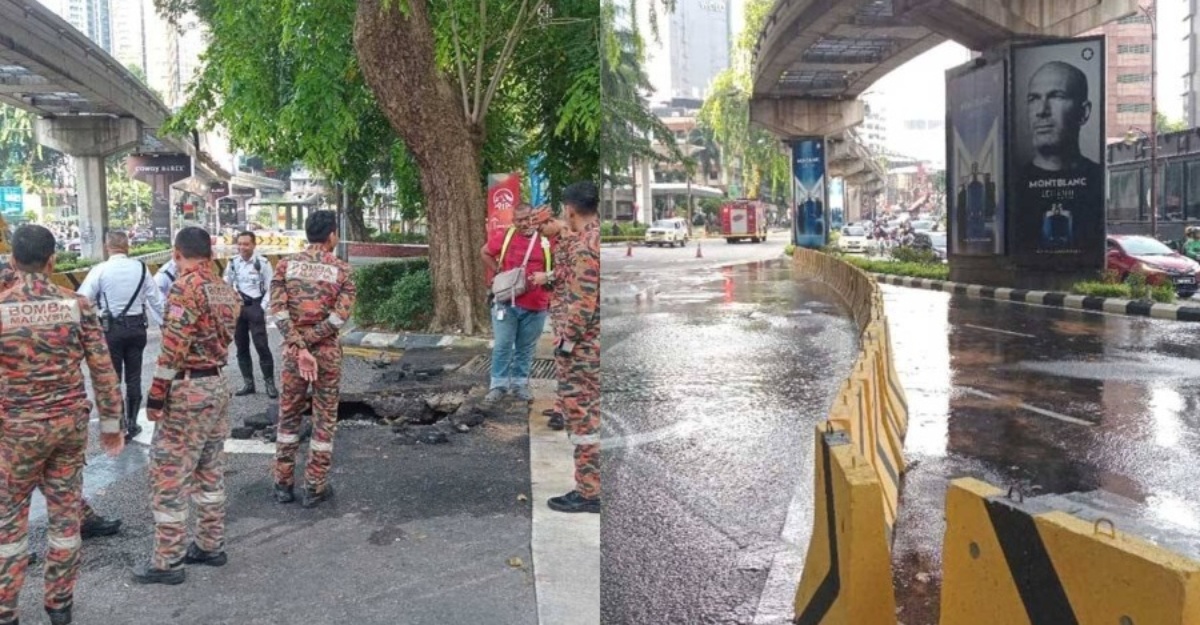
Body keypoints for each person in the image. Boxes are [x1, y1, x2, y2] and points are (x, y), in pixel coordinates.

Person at [0, 225, 125, 625]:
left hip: (17, 429)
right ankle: (59, 604)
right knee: (66, 513)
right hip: (69, 426)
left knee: (9, 520)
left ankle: (6, 609)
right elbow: (103, 369)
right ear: (53, 260)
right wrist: (111, 424)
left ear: (14, 262)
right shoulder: (77, 305)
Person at [132, 227, 239, 586]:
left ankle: (167, 561)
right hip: (218, 384)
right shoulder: (226, 289)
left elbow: (174, 346)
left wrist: (156, 394)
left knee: (169, 475)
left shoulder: (185, 287)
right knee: (210, 470)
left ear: (177, 254)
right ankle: (210, 545)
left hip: (189, 388)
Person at [269, 211, 356, 508]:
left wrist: (298, 344)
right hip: (327, 354)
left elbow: (278, 312)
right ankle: (314, 487)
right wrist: (310, 341)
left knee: (289, 415)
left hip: (294, 354)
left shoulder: (284, 266)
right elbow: (337, 318)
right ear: (332, 235)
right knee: (324, 419)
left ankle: (282, 483)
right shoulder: (342, 270)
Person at [76, 232, 165, 442]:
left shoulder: (100, 270)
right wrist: (164, 325)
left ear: (107, 247)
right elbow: (157, 301)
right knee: (134, 377)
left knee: (114, 379)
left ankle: (118, 424)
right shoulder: (142, 268)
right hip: (137, 329)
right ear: (128, 246)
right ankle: (133, 422)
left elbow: (82, 300)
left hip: (112, 330)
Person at [548, 182, 601, 514]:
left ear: (569, 209)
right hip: (596, 346)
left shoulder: (584, 246)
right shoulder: (599, 239)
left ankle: (589, 491)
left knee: (583, 420)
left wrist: (564, 343)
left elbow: (582, 306)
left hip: (582, 351)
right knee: (593, 413)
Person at [1019, 60, 1104, 251]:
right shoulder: (1013, 184)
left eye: (1056, 96)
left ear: (1083, 112)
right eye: (1034, 99)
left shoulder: (1097, 180)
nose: (1042, 111)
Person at [480, 203, 555, 403]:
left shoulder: (546, 240)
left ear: (535, 218)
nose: (525, 223)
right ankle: (498, 386)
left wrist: (547, 277)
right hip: (506, 303)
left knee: (526, 347)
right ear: (514, 221)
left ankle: (520, 385)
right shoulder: (507, 237)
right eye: (520, 220)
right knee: (503, 345)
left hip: (537, 304)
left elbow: (560, 268)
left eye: (529, 218)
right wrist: (498, 271)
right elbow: (485, 252)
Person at [530, 209, 571, 431]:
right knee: (560, 357)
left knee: (567, 358)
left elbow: (572, 270)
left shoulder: (572, 238)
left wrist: (547, 276)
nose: (540, 233)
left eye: (541, 228)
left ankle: (565, 411)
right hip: (560, 307)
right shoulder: (558, 239)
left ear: (552, 221)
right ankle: (559, 405)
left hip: (571, 311)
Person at [224, 231, 277, 398]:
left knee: (261, 346)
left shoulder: (262, 263)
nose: (242, 247)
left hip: (255, 306)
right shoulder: (233, 263)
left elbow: (271, 286)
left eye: (246, 244)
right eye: (239, 244)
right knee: (241, 347)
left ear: (254, 245)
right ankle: (248, 383)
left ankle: (270, 383)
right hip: (239, 308)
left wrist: (262, 306)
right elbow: (227, 284)